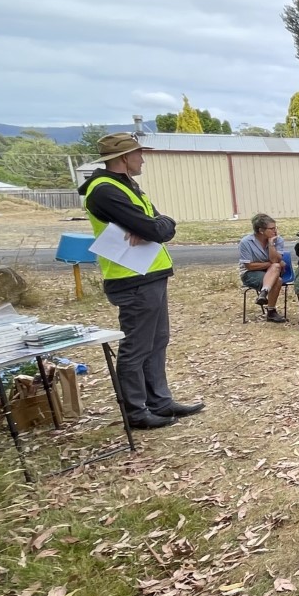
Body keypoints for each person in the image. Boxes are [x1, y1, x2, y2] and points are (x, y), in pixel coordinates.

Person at [79, 132, 203, 430]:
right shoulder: (104, 190)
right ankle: (136, 412)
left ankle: (160, 402)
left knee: (157, 341)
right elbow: (156, 229)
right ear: (123, 158)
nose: (142, 159)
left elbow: (162, 225)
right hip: (131, 279)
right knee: (136, 347)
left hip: (151, 274)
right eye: (138, 154)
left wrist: (156, 226)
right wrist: (155, 227)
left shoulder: (127, 186)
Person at [237, 214, 289, 323]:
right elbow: (249, 266)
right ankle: (271, 312)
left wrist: (271, 244)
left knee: (275, 267)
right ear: (261, 230)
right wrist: (269, 264)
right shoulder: (246, 242)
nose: (275, 231)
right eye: (272, 228)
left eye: (275, 228)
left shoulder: (277, 240)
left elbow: (275, 260)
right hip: (250, 273)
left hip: (271, 271)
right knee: (277, 279)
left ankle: (264, 293)